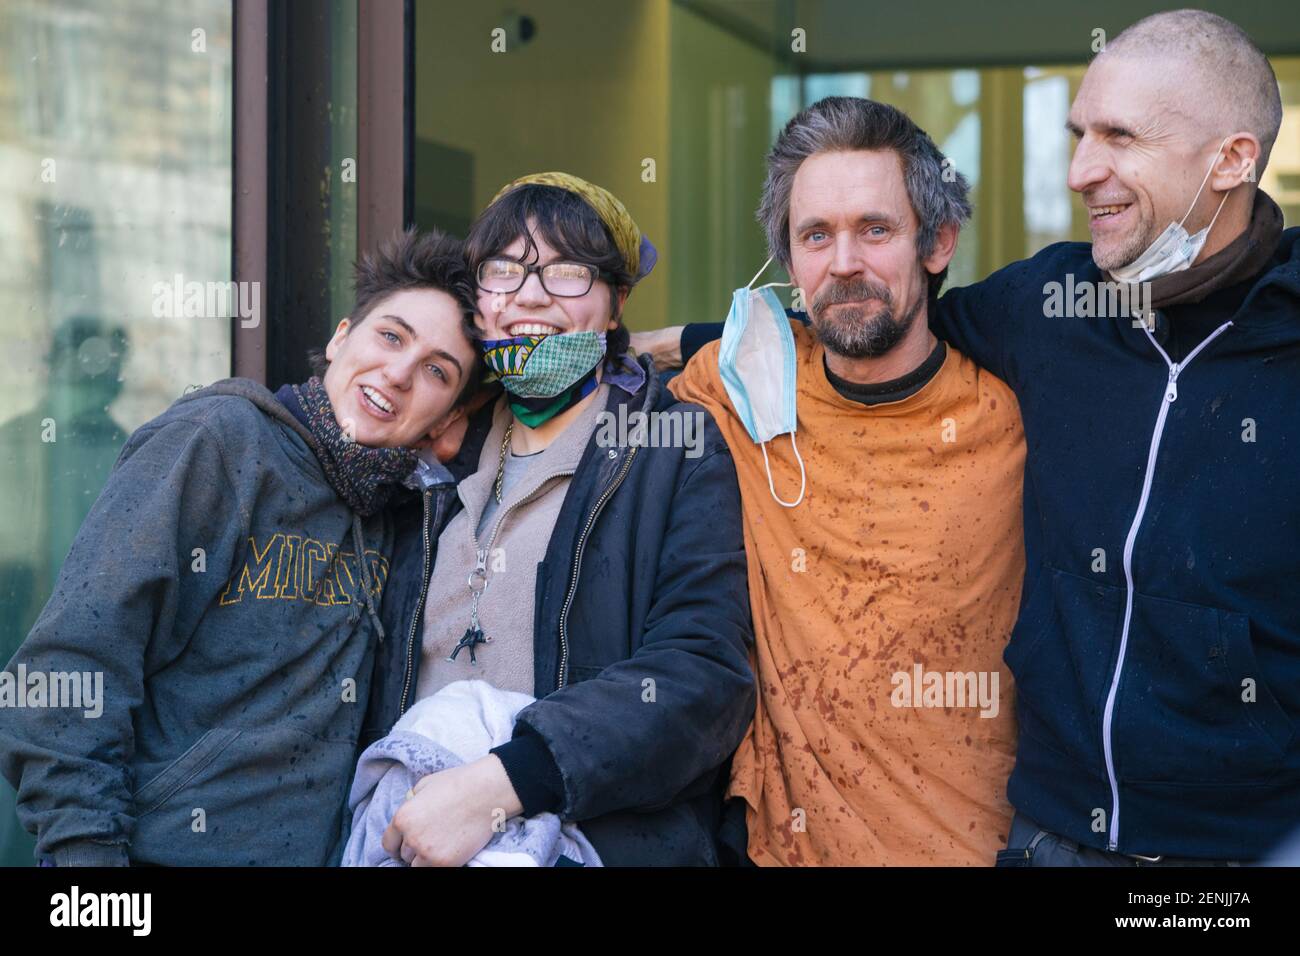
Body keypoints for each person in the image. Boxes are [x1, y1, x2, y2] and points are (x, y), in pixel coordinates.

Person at [642, 9, 1300, 866]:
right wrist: (681, 341)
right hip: (1050, 833)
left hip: (1247, 848)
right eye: (1078, 135)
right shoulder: (1054, 303)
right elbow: (877, 317)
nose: (1080, 171)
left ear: (1232, 159)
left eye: (1119, 137)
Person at [0, 228, 482, 866]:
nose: (398, 374)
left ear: (446, 418)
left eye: (436, 372)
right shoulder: (219, 441)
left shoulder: (403, 516)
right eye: (390, 336)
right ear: (342, 338)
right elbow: (67, 670)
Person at [666, 99, 1026, 865]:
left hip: (970, 843)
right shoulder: (740, 387)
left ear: (938, 243)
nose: (844, 263)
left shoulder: (1013, 420)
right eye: (815, 236)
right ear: (790, 263)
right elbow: (592, 399)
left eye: (876, 229)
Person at [367, 172, 756, 867]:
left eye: (569, 272)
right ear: (478, 303)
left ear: (616, 304)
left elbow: (702, 676)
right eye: (504, 271)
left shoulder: (673, 451)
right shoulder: (433, 450)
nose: (532, 294)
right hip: (407, 834)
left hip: (590, 842)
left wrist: (506, 783)